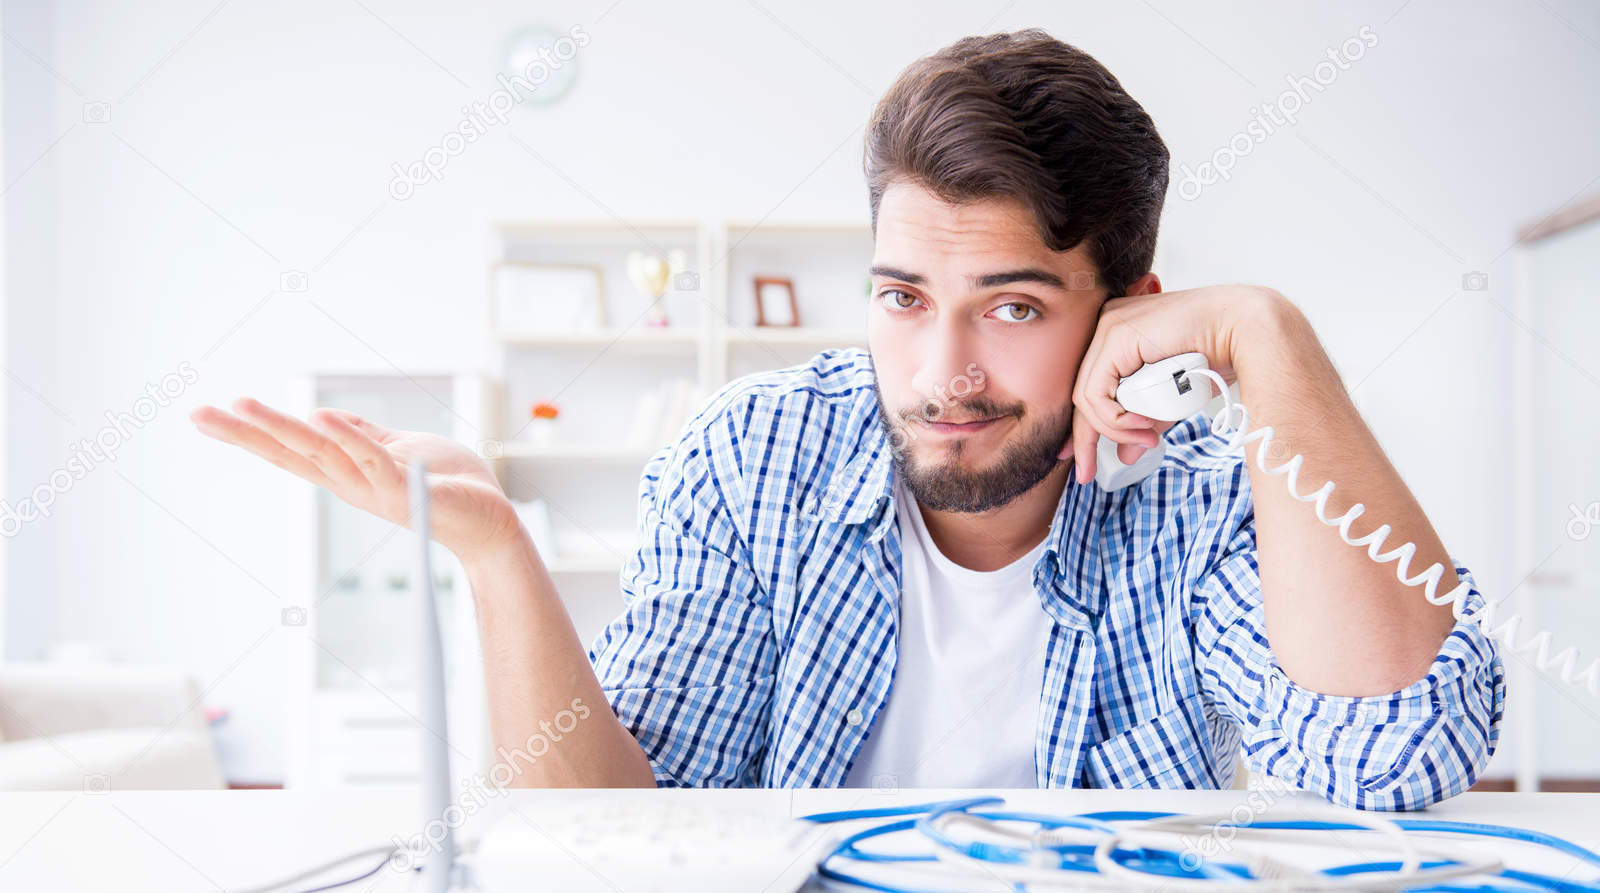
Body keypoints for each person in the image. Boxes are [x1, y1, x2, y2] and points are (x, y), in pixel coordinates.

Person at [192, 29, 1502, 807]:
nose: (943, 373)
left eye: (1012, 308)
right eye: (901, 296)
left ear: (1131, 311)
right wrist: (493, 554)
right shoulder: (749, 457)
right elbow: (611, 834)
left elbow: (1397, 763)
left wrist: (1266, 337)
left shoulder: (1210, 498)